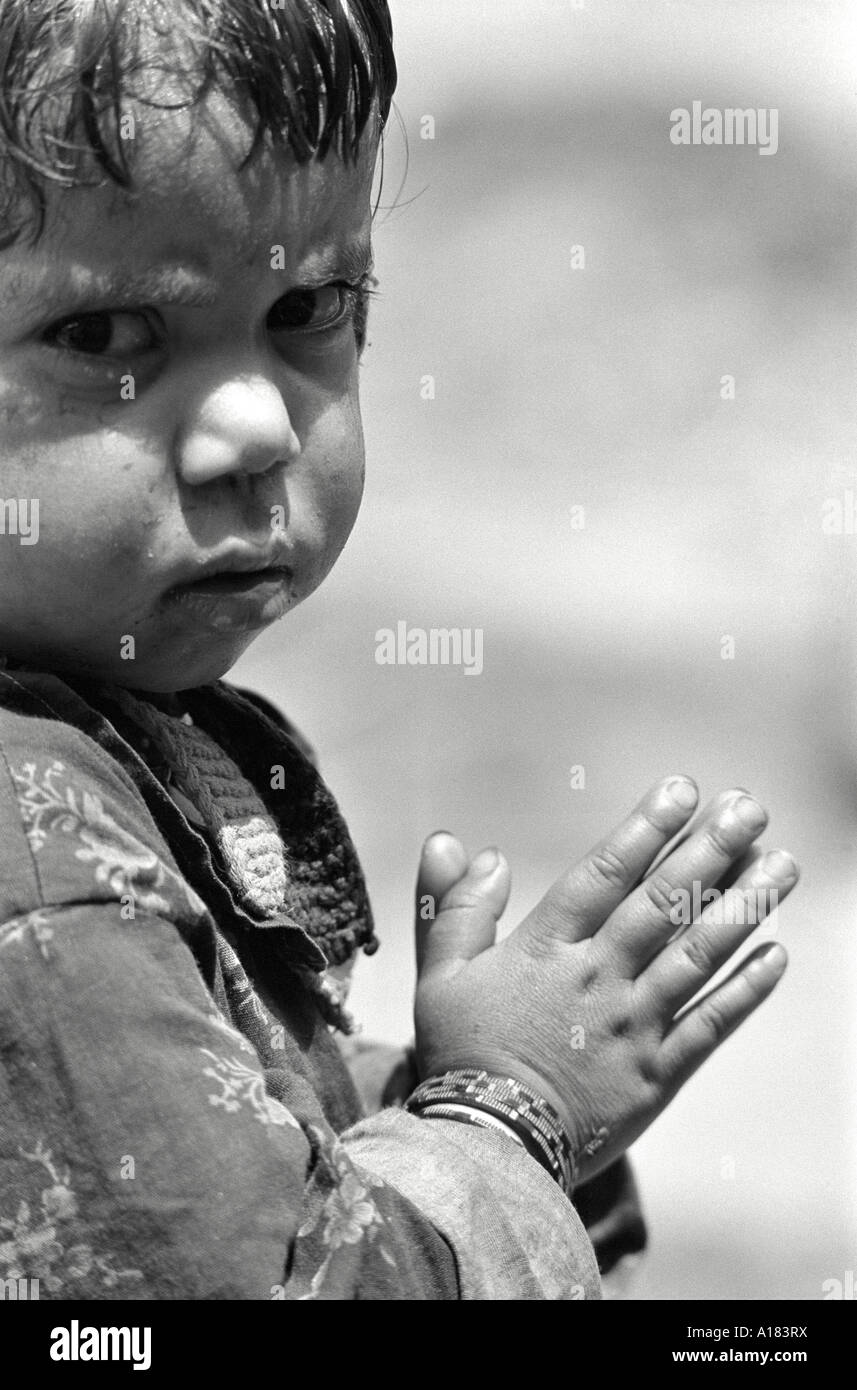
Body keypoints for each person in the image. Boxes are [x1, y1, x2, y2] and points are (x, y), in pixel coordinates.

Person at [0, 0, 798, 1300]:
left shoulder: (100, 753)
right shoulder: (32, 858)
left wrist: (422, 1092)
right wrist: (507, 1115)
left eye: (307, 304)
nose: (256, 426)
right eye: (103, 336)